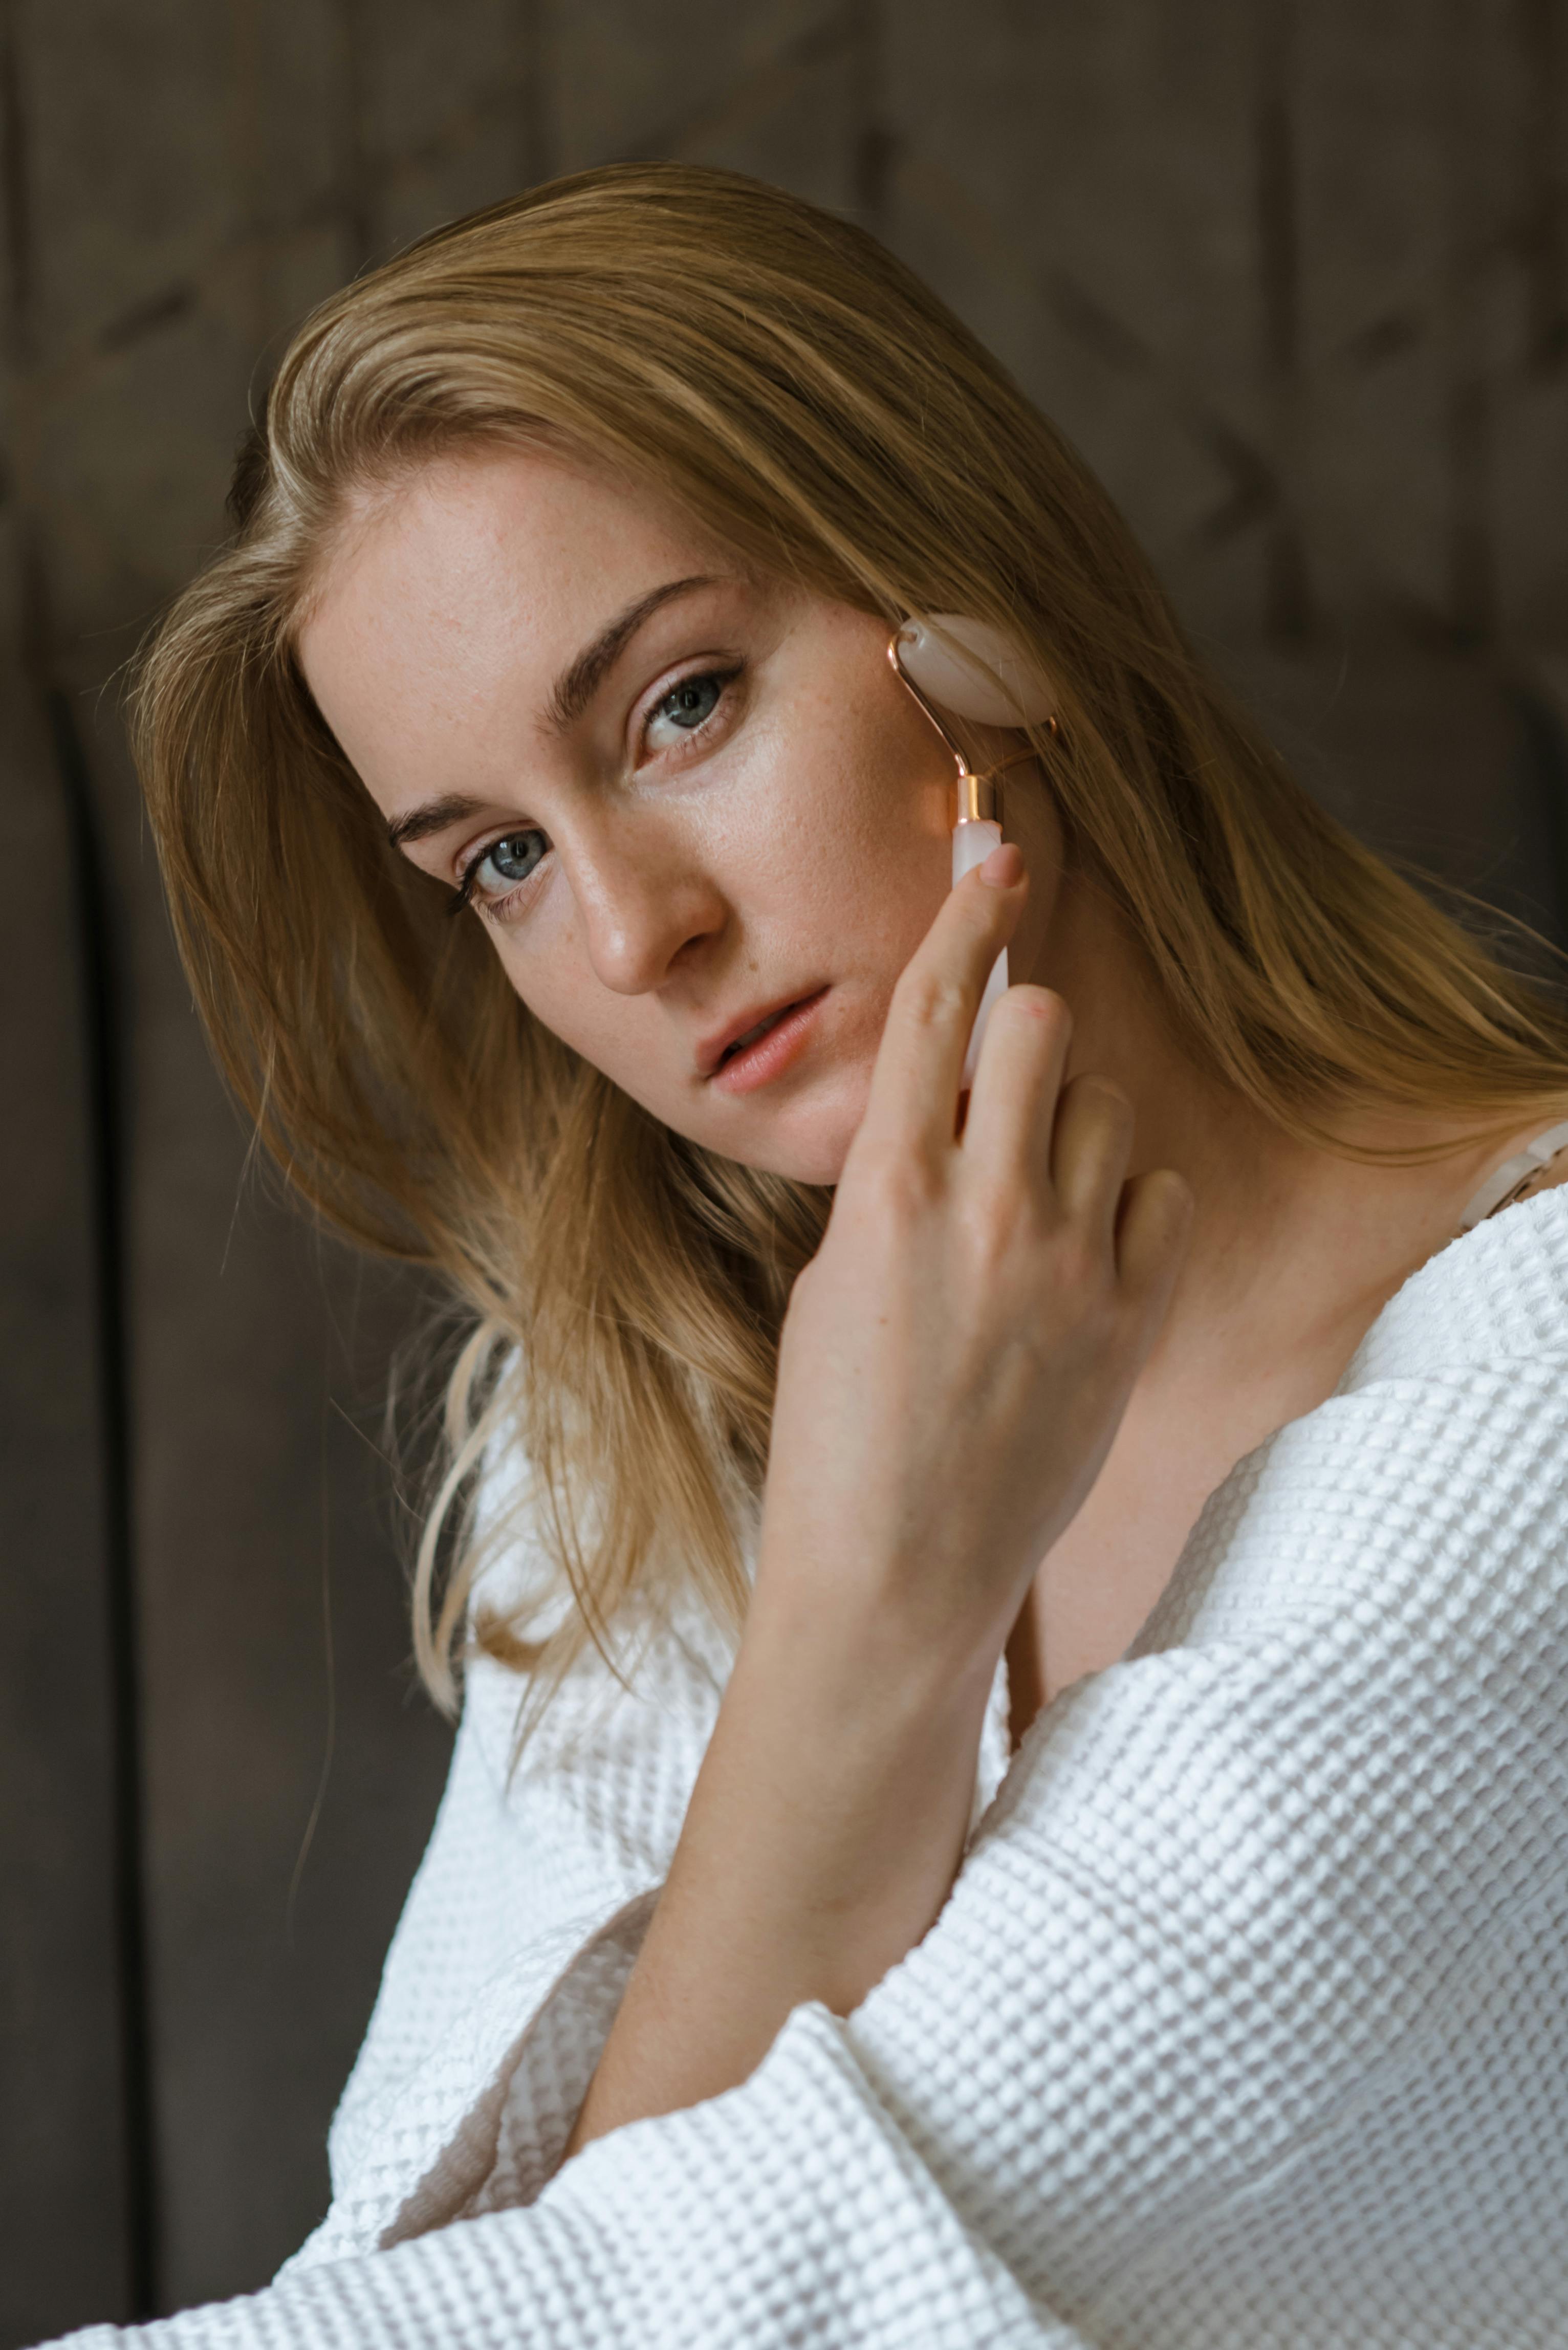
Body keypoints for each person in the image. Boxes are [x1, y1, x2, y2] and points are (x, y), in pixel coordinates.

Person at [50, 163, 1568, 2348]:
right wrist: (861, 1560)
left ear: (977, 610)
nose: (628, 932)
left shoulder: (1522, 1388)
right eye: (495, 859)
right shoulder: (617, 1427)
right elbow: (480, 2286)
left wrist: (877, 1584)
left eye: (676, 707)